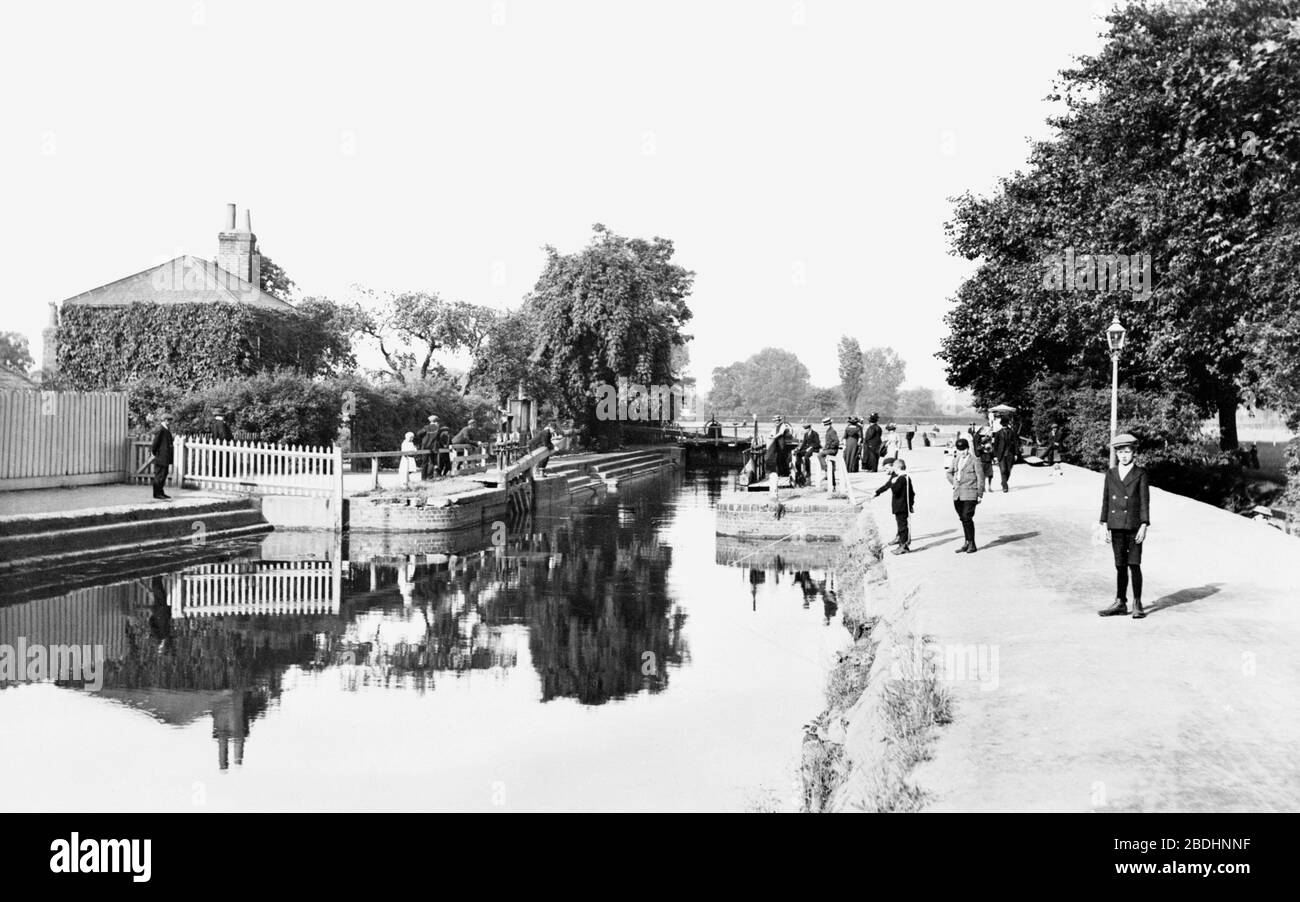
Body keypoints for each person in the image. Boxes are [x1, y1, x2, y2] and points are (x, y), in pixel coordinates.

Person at [1098, 434, 1151, 619]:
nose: (1124, 456)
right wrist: (1103, 524)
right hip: (1116, 525)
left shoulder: (1140, 473)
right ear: (1116, 454)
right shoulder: (1111, 474)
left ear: (1134, 453)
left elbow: (1145, 501)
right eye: (1120, 452)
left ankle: (1137, 602)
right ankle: (1120, 601)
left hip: (1134, 526)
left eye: (1127, 452)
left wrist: (1144, 525)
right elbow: (1106, 499)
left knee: (1134, 564)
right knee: (1120, 565)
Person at [946, 436, 983, 552]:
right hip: (958, 494)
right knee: (963, 518)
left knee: (967, 517)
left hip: (971, 493)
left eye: (964, 450)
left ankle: (972, 543)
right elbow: (948, 473)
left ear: (968, 448)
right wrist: (954, 482)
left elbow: (981, 478)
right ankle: (967, 542)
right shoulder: (956, 459)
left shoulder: (975, 460)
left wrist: (980, 494)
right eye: (959, 450)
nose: (962, 452)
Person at [874, 458, 917, 554]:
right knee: (901, 525)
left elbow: (896, 491)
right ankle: (901, 543)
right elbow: (911, 493)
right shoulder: (904, 477)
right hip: (902, 506)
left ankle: (904, 546)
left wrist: (894, 483)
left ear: (898, 468)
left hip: (901, 506)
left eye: (895, 468)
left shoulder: (901, 478)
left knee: (902, 527)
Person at [150, 413, 174, 500]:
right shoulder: (161, 429)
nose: (170, 422)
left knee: (163, 474)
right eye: (169, 420)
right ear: (165, 420)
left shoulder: (166, 429)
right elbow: (155, 443)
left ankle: (160, 492)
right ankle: (156, 493)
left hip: (165, 457)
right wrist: (155, 453)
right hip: (161, 457)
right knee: (159, 475)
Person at [992, 416, 1019, 492]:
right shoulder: (998, 433)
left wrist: (1016, 454)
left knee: (1008, 470)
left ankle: (1003, 482)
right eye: (1003, 424)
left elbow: (1016, 444)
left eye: (1005, 424)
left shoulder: (1012, 432)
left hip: (1010, 454)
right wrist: (994, 456)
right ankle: (1005, 487)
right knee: (1003, 470)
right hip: (1001, 454)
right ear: (1001, 424)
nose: (1004, 425)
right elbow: (995, 445)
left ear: (1007, 424)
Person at [415, 415, 441, 479]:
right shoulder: (437, 428)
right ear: (436, 421)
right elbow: (438, 438)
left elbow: (418, 434)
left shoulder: (426, 427)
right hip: (433, 447)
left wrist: (423, 438)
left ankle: (423, 478)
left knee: (424, 463)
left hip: (425, 446)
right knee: (432, 462)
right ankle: (430, 477)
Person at [819, 417, 841, 490]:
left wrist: (828, 447)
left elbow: (836, 442)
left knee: (820, 455)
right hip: (830, 449)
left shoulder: (831, 431)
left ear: (827, 425)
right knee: (831, 468)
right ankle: (832, 485)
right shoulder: (829, 431)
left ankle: (825, 469)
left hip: (832, 450)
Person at [975, 425, 995, 491]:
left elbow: (991, 449)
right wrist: (983, 446)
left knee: (990, 474)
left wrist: (993, 458)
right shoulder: (978, 438)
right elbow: (978, 448)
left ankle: (989, 487)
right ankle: (983, 487)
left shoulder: (987, 439)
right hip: (983, 459)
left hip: (988, 459)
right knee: (982, 475)